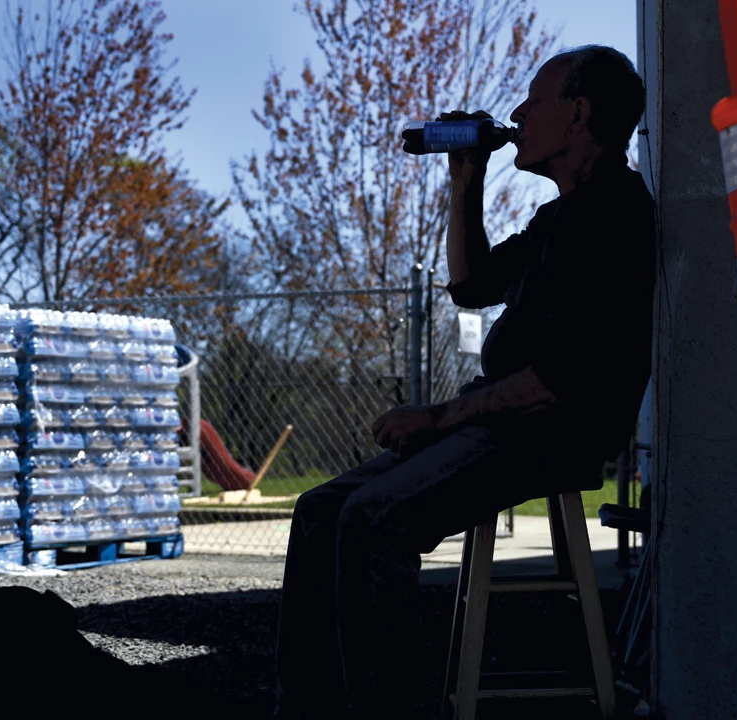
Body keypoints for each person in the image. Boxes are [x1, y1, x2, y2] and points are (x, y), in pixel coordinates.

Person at [272, 44, 656, 720]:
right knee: (319, 510)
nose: (516, 113)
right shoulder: (555, 220)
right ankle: (308, 706)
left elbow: (558, 380)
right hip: (505, 423)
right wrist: (464, 181)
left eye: (533, 101)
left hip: (550, 430)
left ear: (578, 113)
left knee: (374, 519)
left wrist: (440, 415)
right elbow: (471, 285)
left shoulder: (614, 214)